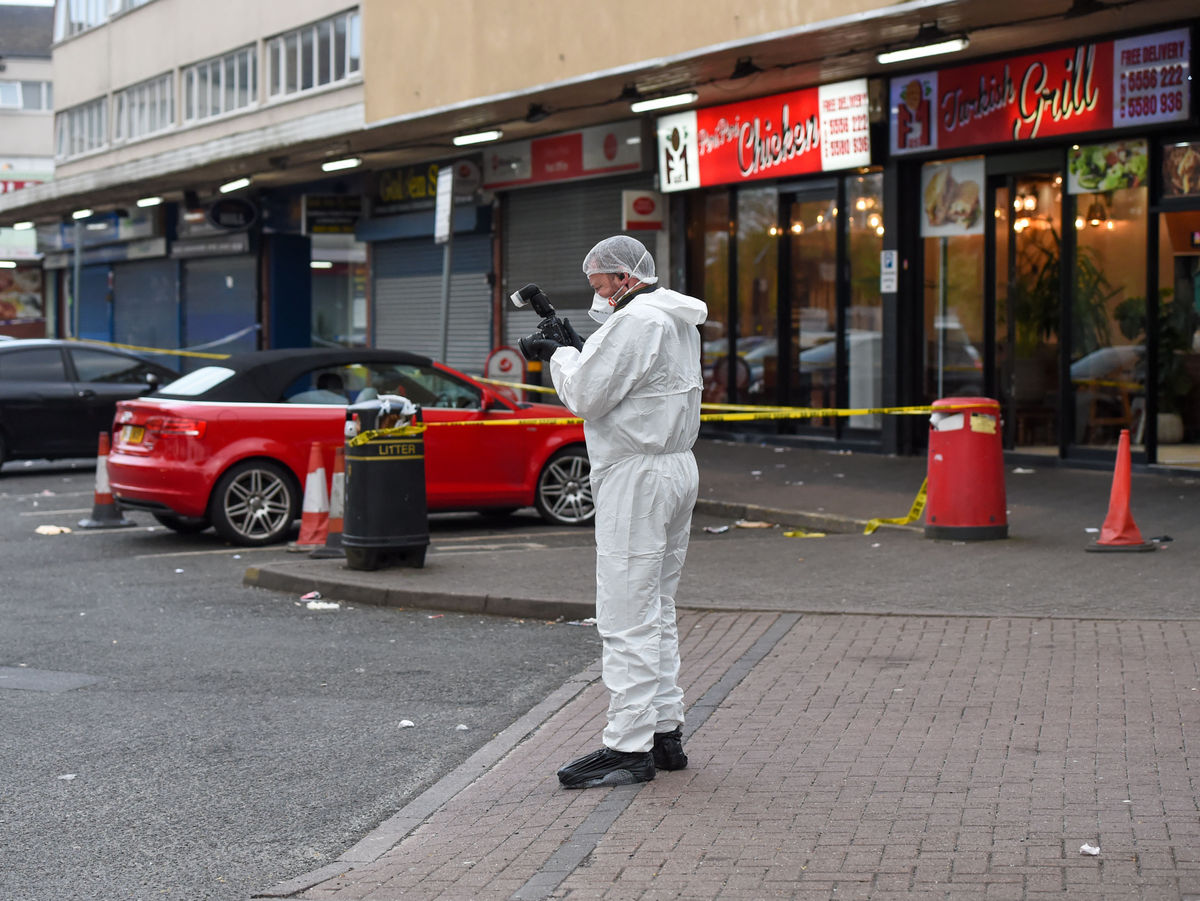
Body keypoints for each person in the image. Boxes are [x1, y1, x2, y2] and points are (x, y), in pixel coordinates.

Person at [525, 235, 708, 789]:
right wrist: (583, 345)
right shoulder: (672, 318)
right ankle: (664, 731)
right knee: (657, 605)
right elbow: (632, 382)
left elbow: (585, 394)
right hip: (676, 467)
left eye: (600, 283)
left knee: (626, 611)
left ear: (624, 278)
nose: (596, 293)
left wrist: (557, 353)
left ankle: (627, 746)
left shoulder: (637, 322)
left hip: (637, 475)